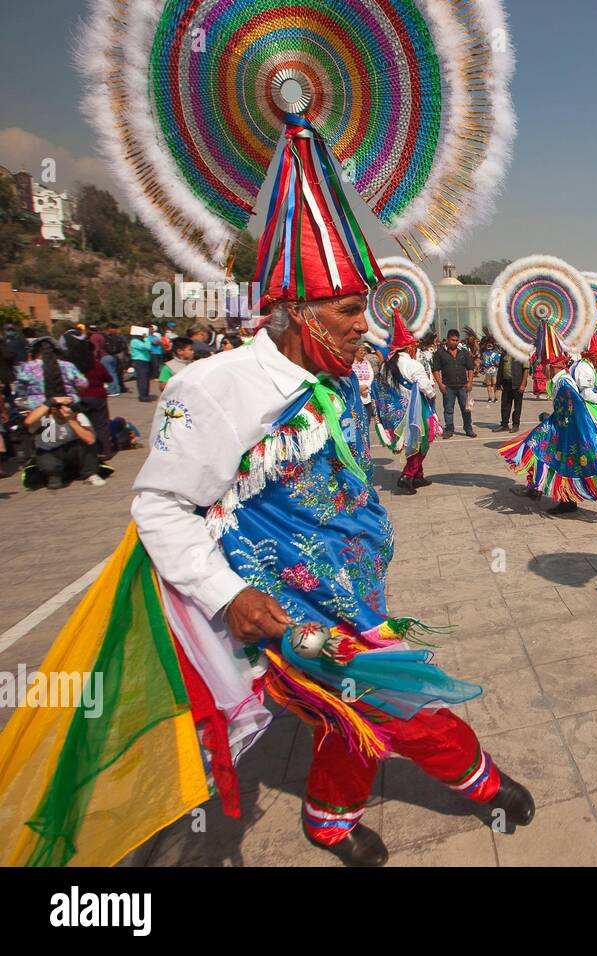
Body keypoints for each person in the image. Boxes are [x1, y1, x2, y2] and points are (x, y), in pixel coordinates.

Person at [0, 115, 535, 869]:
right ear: (295, 313)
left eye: (365, 308)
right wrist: (227, 596)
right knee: (394, 694)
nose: (365, 327)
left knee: (343, 713)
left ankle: (327, 818)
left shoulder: (332, 373)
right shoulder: (213, 388)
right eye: (350, 310)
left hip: (349, 592)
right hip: (284, 607)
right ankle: (486, 785)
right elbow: (159, 504)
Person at [500, 322, 597, 515]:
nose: (543, 371)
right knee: (542, 452)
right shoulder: (561, 380)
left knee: (552, 456)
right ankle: (538, 488)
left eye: (546, 366)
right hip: (564, 427)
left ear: (553, 366)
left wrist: (580, 430)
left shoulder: (564, 383)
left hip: (571, 430)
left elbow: (576, 407)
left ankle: (554, 495)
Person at [374, 312, 443, 495]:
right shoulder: (413, 365)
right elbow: (427, 389)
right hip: (416, 411)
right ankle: (408, 475)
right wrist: (433, 394)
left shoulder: (386, 366)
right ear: (409, 347)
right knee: (424, 439)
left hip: (396, 412)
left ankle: (418, 475)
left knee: (415, 442)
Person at [22, 395, 104, 489]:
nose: (69, 409)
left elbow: (90, 440)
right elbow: (28, 422)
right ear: (54, 409)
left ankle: (89, 474)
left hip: (72, 452)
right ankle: (53, 475)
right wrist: (51, 401)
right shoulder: (45, 418)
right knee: (55, 483)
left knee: (84, 443)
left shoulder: (77, 416)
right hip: (49, 453)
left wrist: (71, 420)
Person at [432, 328, 476, 438]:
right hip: (448, 387)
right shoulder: (439, 353)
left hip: (463, 386)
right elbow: (435, 370)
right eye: (453, 340)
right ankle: (449, 429)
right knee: (448, 409)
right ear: (447, 339)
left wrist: (470, 382)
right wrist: (440, 384)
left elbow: (470, 368)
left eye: (457, 340)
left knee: (466, 409)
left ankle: (468, 428)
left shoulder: (464, 353)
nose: (455, 342)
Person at [495, 348, 527, 433]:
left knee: (517, 406)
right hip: (506, 383)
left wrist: (523, 384)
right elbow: (501, 368)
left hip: (517, 383)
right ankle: (504, 425)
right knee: (505, 404)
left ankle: (515, 425)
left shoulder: (522, 352)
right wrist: (499, 382)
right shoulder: (504, 352)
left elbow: (526, 369)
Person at [129, 327, 155, 402]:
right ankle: (143, 396)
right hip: (140, 361)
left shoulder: (140, 341)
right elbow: (148, 347)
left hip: (144, 361)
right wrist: (146, 338)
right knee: (142, 379)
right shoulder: (135, 341)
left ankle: (145, 395)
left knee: (146, 379)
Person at [480, 338, 501, 404]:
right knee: (490, 385)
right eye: (488, 344)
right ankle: (491, 397)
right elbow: (483, 362)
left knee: (493, 384)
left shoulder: (495, 354)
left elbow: (497, 363)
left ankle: (494, 397)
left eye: (490, 344)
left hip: (493, 371)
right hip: (489, 371)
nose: (489, 345)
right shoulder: (484, 354)